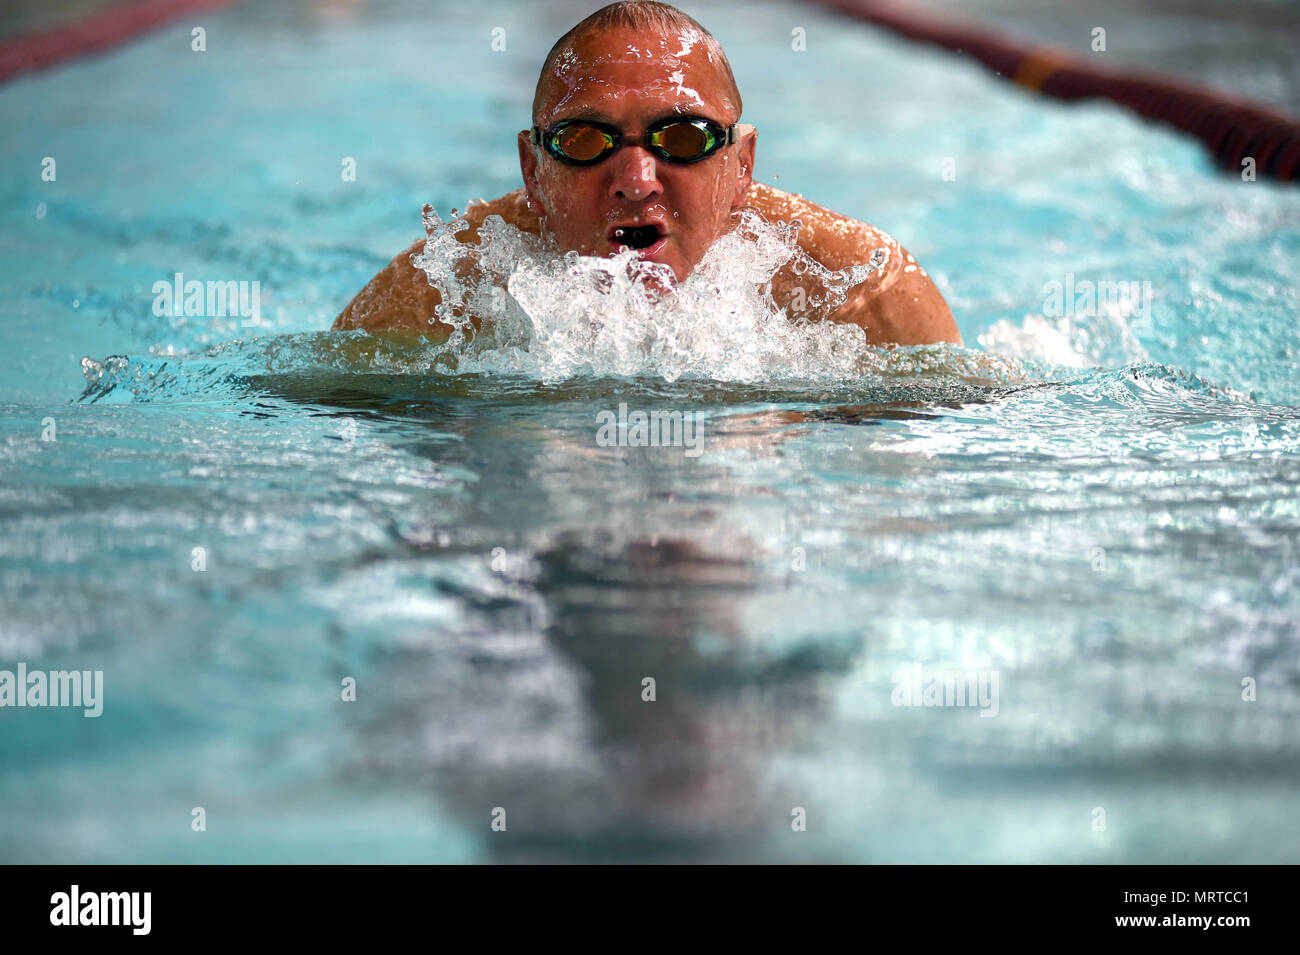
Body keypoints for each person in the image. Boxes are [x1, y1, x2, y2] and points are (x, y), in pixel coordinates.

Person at [333, 1, 961, 347]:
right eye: (585, 140)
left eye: (682, 138)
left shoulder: (859, 291)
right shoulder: (440, 293)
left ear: (742, 166)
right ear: (533, 171)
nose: (635, 179)